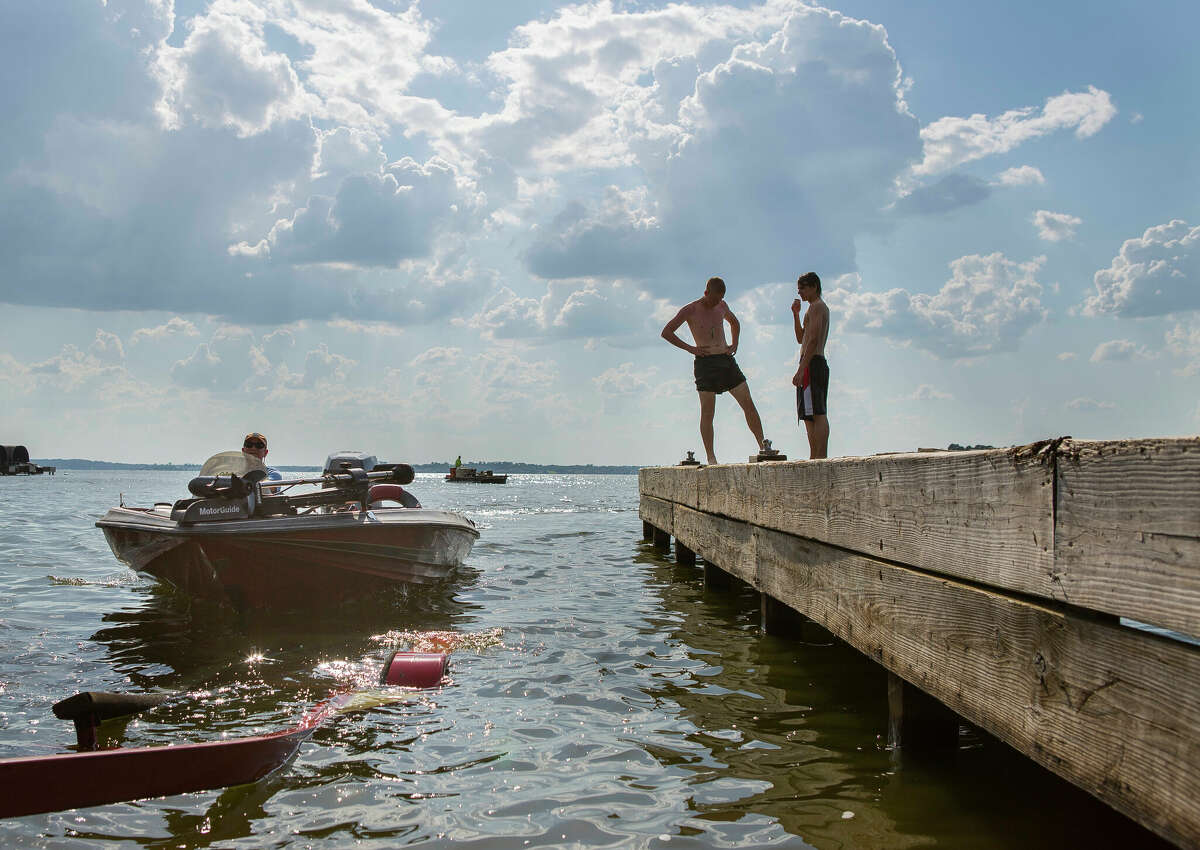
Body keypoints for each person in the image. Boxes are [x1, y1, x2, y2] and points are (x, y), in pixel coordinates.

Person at [662, 276, 767, 465]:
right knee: (708, 412)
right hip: (705, 363)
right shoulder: (690, 309)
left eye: (720, 299)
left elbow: (735, 323)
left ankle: (763, 446)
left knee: (748, 402)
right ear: (706, 293)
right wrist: (690, 348)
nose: (716, 303)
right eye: (714, 299)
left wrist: (735, 343)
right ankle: (711, 457)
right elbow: (667, 332)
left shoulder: (722, 306)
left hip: (725, 360)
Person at [791, 272, 830, 459]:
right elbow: (801, 338)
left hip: (812, 362)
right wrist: (796, 315)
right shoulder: (810, 309)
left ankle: (820, 456)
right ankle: (815, 456)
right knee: (808, 414)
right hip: (810, 361)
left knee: (817, 412)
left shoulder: (817, 307)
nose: (800, 293)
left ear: (814, 286)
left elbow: (813, 340)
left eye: (803, 288)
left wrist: (801, 369)